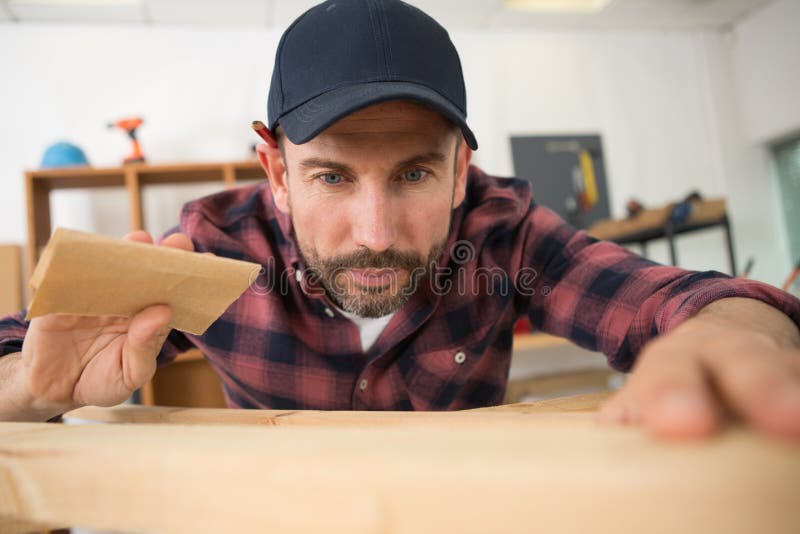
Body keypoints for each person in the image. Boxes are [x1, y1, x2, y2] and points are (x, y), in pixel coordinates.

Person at [1, 0, 799, 441]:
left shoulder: (505, 233)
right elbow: (22, 350)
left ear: (460, 169)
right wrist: (30, 389)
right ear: (275, 171)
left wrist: (734, 334)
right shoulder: (213, 248)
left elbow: (680, 299)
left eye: (415, 172)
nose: (375, 231)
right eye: (332, 176)